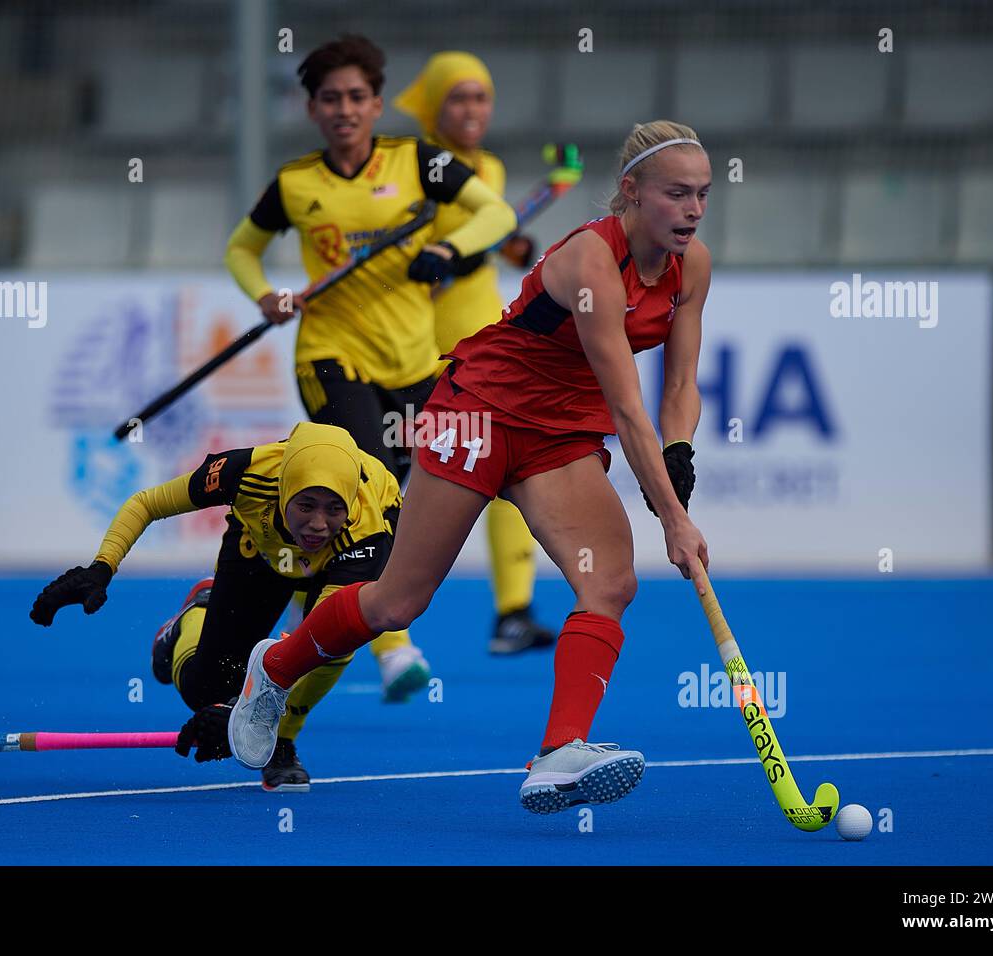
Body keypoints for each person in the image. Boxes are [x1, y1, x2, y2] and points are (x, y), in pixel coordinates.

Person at [222, 121, 714, 814]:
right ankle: (272, 670)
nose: (693, 210)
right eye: (676, 194)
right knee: (397, 600)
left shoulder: (692, 266)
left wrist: (680, 453)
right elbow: (629, 407)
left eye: (702, 195)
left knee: (609, 583)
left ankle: (558, 752)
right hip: (478, 412)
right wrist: (674, 518)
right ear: (631, 191)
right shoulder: (590, 264)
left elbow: (678, 388)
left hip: (556, 436)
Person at [223, 34, 517, 692]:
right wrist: (265, 295)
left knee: (388, 509)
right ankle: (395, 649)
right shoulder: (297, 185)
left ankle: (306, 603)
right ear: (312, 110)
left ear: (378, 104)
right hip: (331, 357)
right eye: (331, 99)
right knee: (370, 484)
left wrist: (448, 252)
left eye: (357, 97)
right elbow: (241, 250)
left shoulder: (418, 163)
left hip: (413, 365)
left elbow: (495, 214)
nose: (345, 110)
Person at [29, 422, 417, 791]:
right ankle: (192, 617)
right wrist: (102, 567)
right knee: (206, 692)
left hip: (337, 565)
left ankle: (281, 742)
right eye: (306, 505)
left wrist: (246, 715)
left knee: (332, 647)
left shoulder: (372, 527)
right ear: (284, 488)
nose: (318, 524)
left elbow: (313, 643)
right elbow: (147, 503)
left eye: (334, 508)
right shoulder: (244, 471)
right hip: (257, 554)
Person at [394, 51, 555, 656]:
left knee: (507, 471)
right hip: (415, 343)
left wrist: (507, 247)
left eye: (480, 97)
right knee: (392, 479)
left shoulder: (488, 166)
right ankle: (366, 616)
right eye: (457, 98)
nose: (471, 110)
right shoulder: (412, 170)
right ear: (434, 105)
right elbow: (418, 258)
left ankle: (513, 612)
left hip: (484, 342)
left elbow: (479, 242)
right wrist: (451, 254)